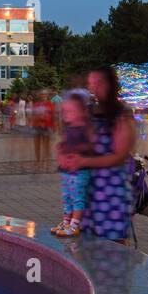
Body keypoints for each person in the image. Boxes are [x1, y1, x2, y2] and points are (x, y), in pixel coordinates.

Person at [60, 67, 135, 244]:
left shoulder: (121, 115)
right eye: (91, 84)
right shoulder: (90, 111)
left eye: (98, 83)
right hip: (89, 190)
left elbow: (120, 155)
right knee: (86, 248)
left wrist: (85, 160)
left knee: (113, 248)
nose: (94, 88)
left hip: (110, 191)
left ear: (110, 85)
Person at [50, 92, 93, 238]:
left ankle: (75, 224)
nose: (66, 113)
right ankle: (66, 222)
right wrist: (60, 152)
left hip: (79, 171)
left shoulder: (85, 129)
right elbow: (62, 146)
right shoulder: (69, 129)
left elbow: (91, 146)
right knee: (67, 197)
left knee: (77, 197)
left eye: (70, 110)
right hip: (66, 170)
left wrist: (76, 151)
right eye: (65, 110)